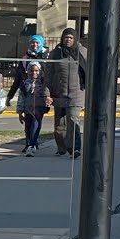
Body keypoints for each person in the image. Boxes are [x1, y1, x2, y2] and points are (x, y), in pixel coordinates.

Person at [44, 27, 87, 156]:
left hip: (76, 93)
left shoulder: (83, 52)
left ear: (75, 39)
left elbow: (90, 72)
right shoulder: (55, 54)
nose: (68, 40)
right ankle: (61, 148)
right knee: (59, 125)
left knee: (73, 121)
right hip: (59, 93)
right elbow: (48, 75)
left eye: (70, 38)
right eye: (65, 37)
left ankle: (75, 149)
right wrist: (47, 94)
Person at [16, 61, 52, 156]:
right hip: (28, 108)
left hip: (39, 108)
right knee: (28, 126)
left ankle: (32, 144)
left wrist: (47, 103)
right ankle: (29, 143)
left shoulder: (43, 83)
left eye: (36, 71)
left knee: (36, 124)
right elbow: (21, 97)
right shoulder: (25, 83)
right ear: (28, 71)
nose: (34, 73)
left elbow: (48, 94)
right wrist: (20, 112)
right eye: (31, 71)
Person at [6, 34, 49, 105]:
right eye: (32, 42)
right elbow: (18, 78)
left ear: (41, 44)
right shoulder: (25, 59)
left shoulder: (48, 58)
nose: (35, 44)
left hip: (42, 93)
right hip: (26, 93)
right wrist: (10, 96)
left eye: (37, 43)